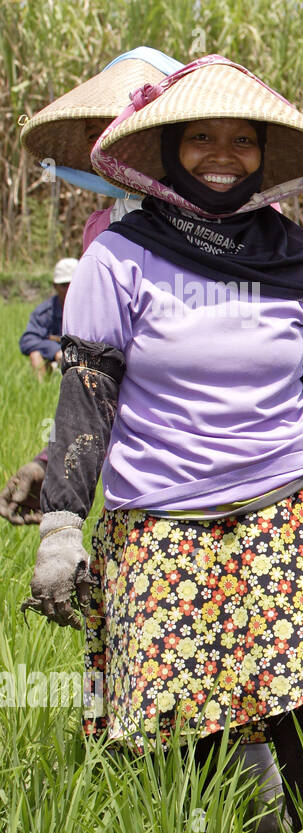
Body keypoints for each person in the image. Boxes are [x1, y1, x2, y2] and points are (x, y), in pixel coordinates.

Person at [25, 54, 303, 833]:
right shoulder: (119, 258)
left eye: (243, 140)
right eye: (202, 138)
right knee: (198, 732)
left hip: (292, 508)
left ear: (263, 155)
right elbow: (87, 396)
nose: (224, 156)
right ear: (171, 148)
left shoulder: (296, 255)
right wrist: (59, 530)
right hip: (163, 523)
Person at [4, 48, 186, 525]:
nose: (106, 146)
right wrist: (53, 463)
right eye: (95, 136)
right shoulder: (103, 233)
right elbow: (97, 373)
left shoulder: (246, 223)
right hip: (143, 492)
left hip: (262, 487)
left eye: (121, 127)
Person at [20, 258, 77, 380]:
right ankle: (40, 393)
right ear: (55, 286)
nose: (69, 290)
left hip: (86, 360)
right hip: (56, 359)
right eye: (64, 285)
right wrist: (56, 351)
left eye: (73, 284)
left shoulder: (92, 310)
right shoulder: (45, 312)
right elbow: (28, 340)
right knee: (35, 355)